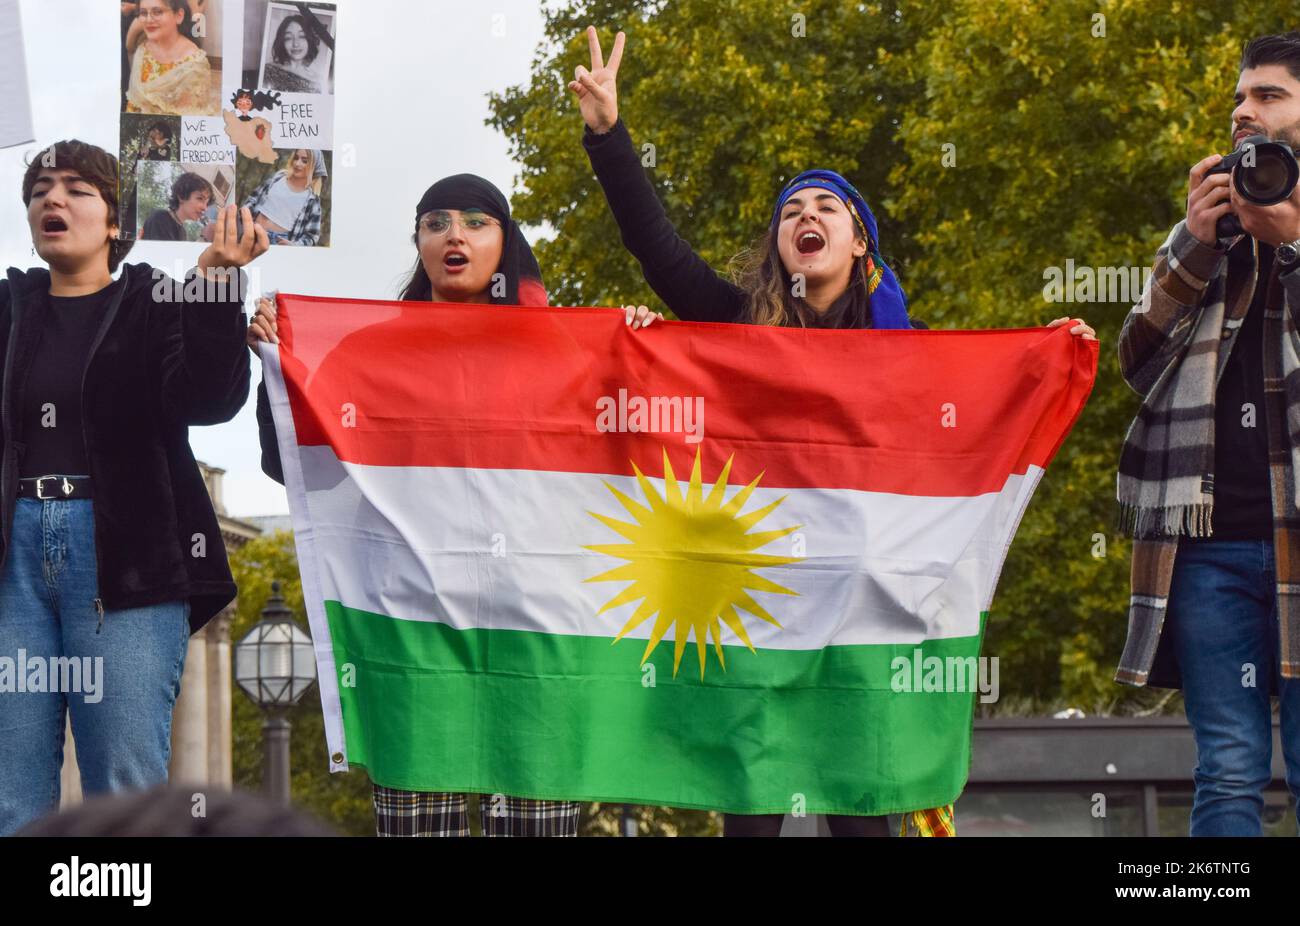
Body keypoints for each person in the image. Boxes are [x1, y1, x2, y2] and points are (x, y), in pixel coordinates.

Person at [569, 26, 1096, 836]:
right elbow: (656, 248)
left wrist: (1044, 358)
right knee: (752, 818)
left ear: (859, 243)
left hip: (862, 621)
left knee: (860, 822)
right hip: (761, 620)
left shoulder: (910, 359)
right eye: (791, 211)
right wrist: (608, 132)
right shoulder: (739, 327)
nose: (805, 217)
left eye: (826, 208)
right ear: (781, 246)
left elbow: (979, 417)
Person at [248, 174, 580, 836]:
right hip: (413, 632)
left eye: (476, 222)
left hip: (533, 632)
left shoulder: (563, 354)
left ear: (504, 244)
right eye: (438, 222)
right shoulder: (370, 354)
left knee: (538, 822)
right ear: (421, 243)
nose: (455, 234)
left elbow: (625, 458)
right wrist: (278, 373)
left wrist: (638, 344)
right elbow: (299, 467)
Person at [0, 139, 268, 837]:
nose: (53, 200)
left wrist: (216, 284)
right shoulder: (8, 308)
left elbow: (210, 398)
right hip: (11, 566)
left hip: (125, 560)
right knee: (9, 796)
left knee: (122, 788)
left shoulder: (155, 301)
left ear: (116, 221)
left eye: (76, 190)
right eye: (40, 189)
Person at [1116, 31, 1300, 836]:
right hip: (1208, 543)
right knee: (1226, 768)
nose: (1242, 111)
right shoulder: (1205, 223)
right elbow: (1134, 359)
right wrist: (1194, 242)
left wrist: (1288, 239)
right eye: (1238, 97)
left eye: (1266, 95)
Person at [124, 0, 214, 116]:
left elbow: (187, 120)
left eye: (158, 12)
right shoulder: (143, 50)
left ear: (179, 16)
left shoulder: (193, 66)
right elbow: (133, 104)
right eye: (143, 13)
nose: (148, 20)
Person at [241, 149, 325, 247]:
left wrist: (294, 245)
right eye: (296, 158)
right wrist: (244, 216)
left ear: (314, 166)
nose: (297, 163)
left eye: (304, 161)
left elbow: (312, 236)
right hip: (251, 229)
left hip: (276, 242)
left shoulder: (312, 199)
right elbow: (253, 198)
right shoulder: (278, 177)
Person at [141, 170, 212, 241]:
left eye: (206, 203)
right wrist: (204, 238)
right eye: (200, 198)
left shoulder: (183, 232)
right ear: (181, 196)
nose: (205, 208)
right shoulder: (159, 218)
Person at [262, 14, 325, 94]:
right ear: (282, 42)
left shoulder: (317, 81)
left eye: (302, 36)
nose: (295, 44)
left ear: (310, 40)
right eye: (288, 38)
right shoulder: (268, 71)